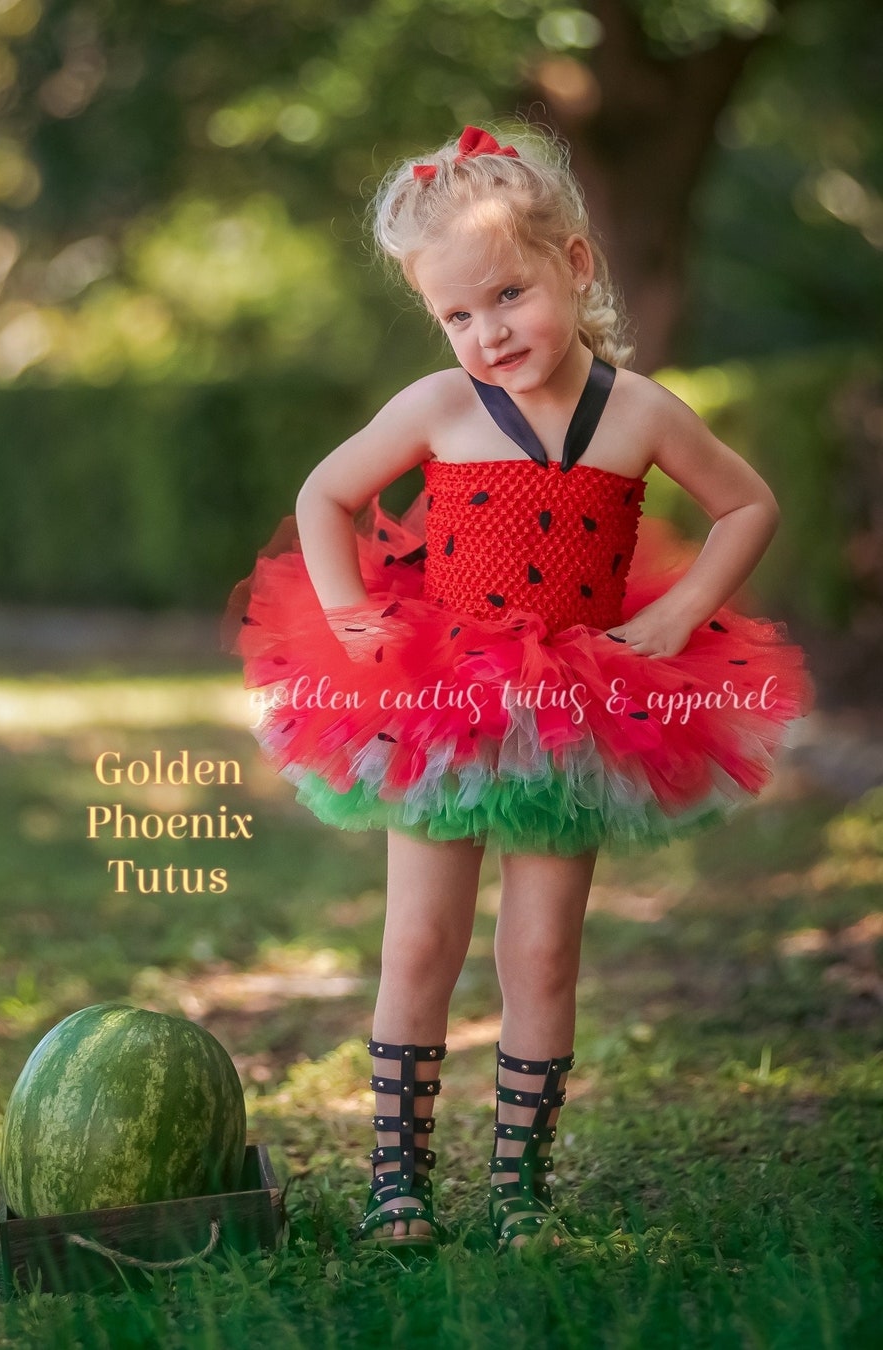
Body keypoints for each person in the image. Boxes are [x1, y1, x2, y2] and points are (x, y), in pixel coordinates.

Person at [223, 123, 813, 1252]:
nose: (488, 334)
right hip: (440, 705)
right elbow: (323, 496)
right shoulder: (440, 410)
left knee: (543, 950)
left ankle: (520, 1191)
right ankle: (398, 1181)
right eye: (458, 316)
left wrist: (681, 613)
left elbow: (749, 505)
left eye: (508, 295)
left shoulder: (638, 414)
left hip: (577, 715)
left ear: (576, 266)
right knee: (419, 941)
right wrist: (353, 622)